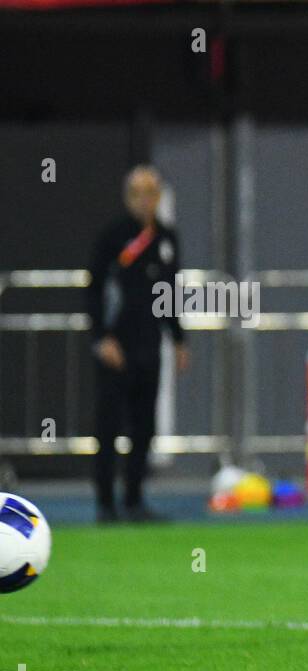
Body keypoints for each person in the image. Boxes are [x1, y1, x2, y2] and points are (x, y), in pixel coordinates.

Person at [87, 165, 189, 523]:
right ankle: (104, 503)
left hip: (150, 344)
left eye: (153, 193)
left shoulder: (167, 238)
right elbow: (95, 289)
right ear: (128, 196)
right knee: (109, 425)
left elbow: (170, 293)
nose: (146, 200)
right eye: (139, 193)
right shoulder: (113, 237)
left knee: (144, 426)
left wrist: (178, 338)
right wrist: (101, 337)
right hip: (116, 346)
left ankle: (134, 500)